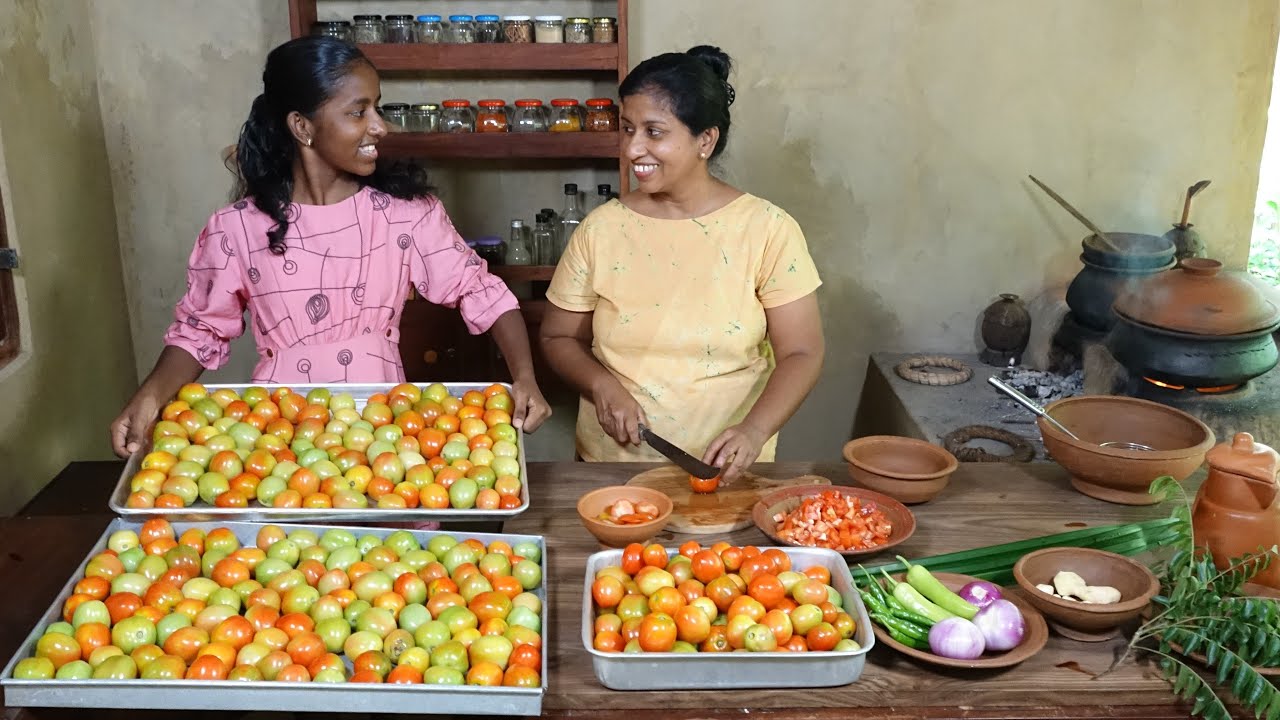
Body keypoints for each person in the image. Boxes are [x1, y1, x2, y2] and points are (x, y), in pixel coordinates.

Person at [110, 36, 551, 457]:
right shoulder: (237, 230)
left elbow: (485, 293)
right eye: (358, 112)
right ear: (303, 127)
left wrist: (525, 378)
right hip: (280, 440)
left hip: (386, 438)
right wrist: (148, 398)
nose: (380, 126)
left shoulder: (406, 215)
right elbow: (199, 330)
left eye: (377, 108)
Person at [540, 45, 824, 482]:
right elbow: (558, 335)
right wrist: (601, 385)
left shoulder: (767, 230)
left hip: (724, 470)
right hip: (613, 469)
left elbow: (803, 351)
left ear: (704, 140)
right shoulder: (601, 230)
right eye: (627, 128)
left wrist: (753, 430)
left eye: (654, 132)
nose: (634, 149)